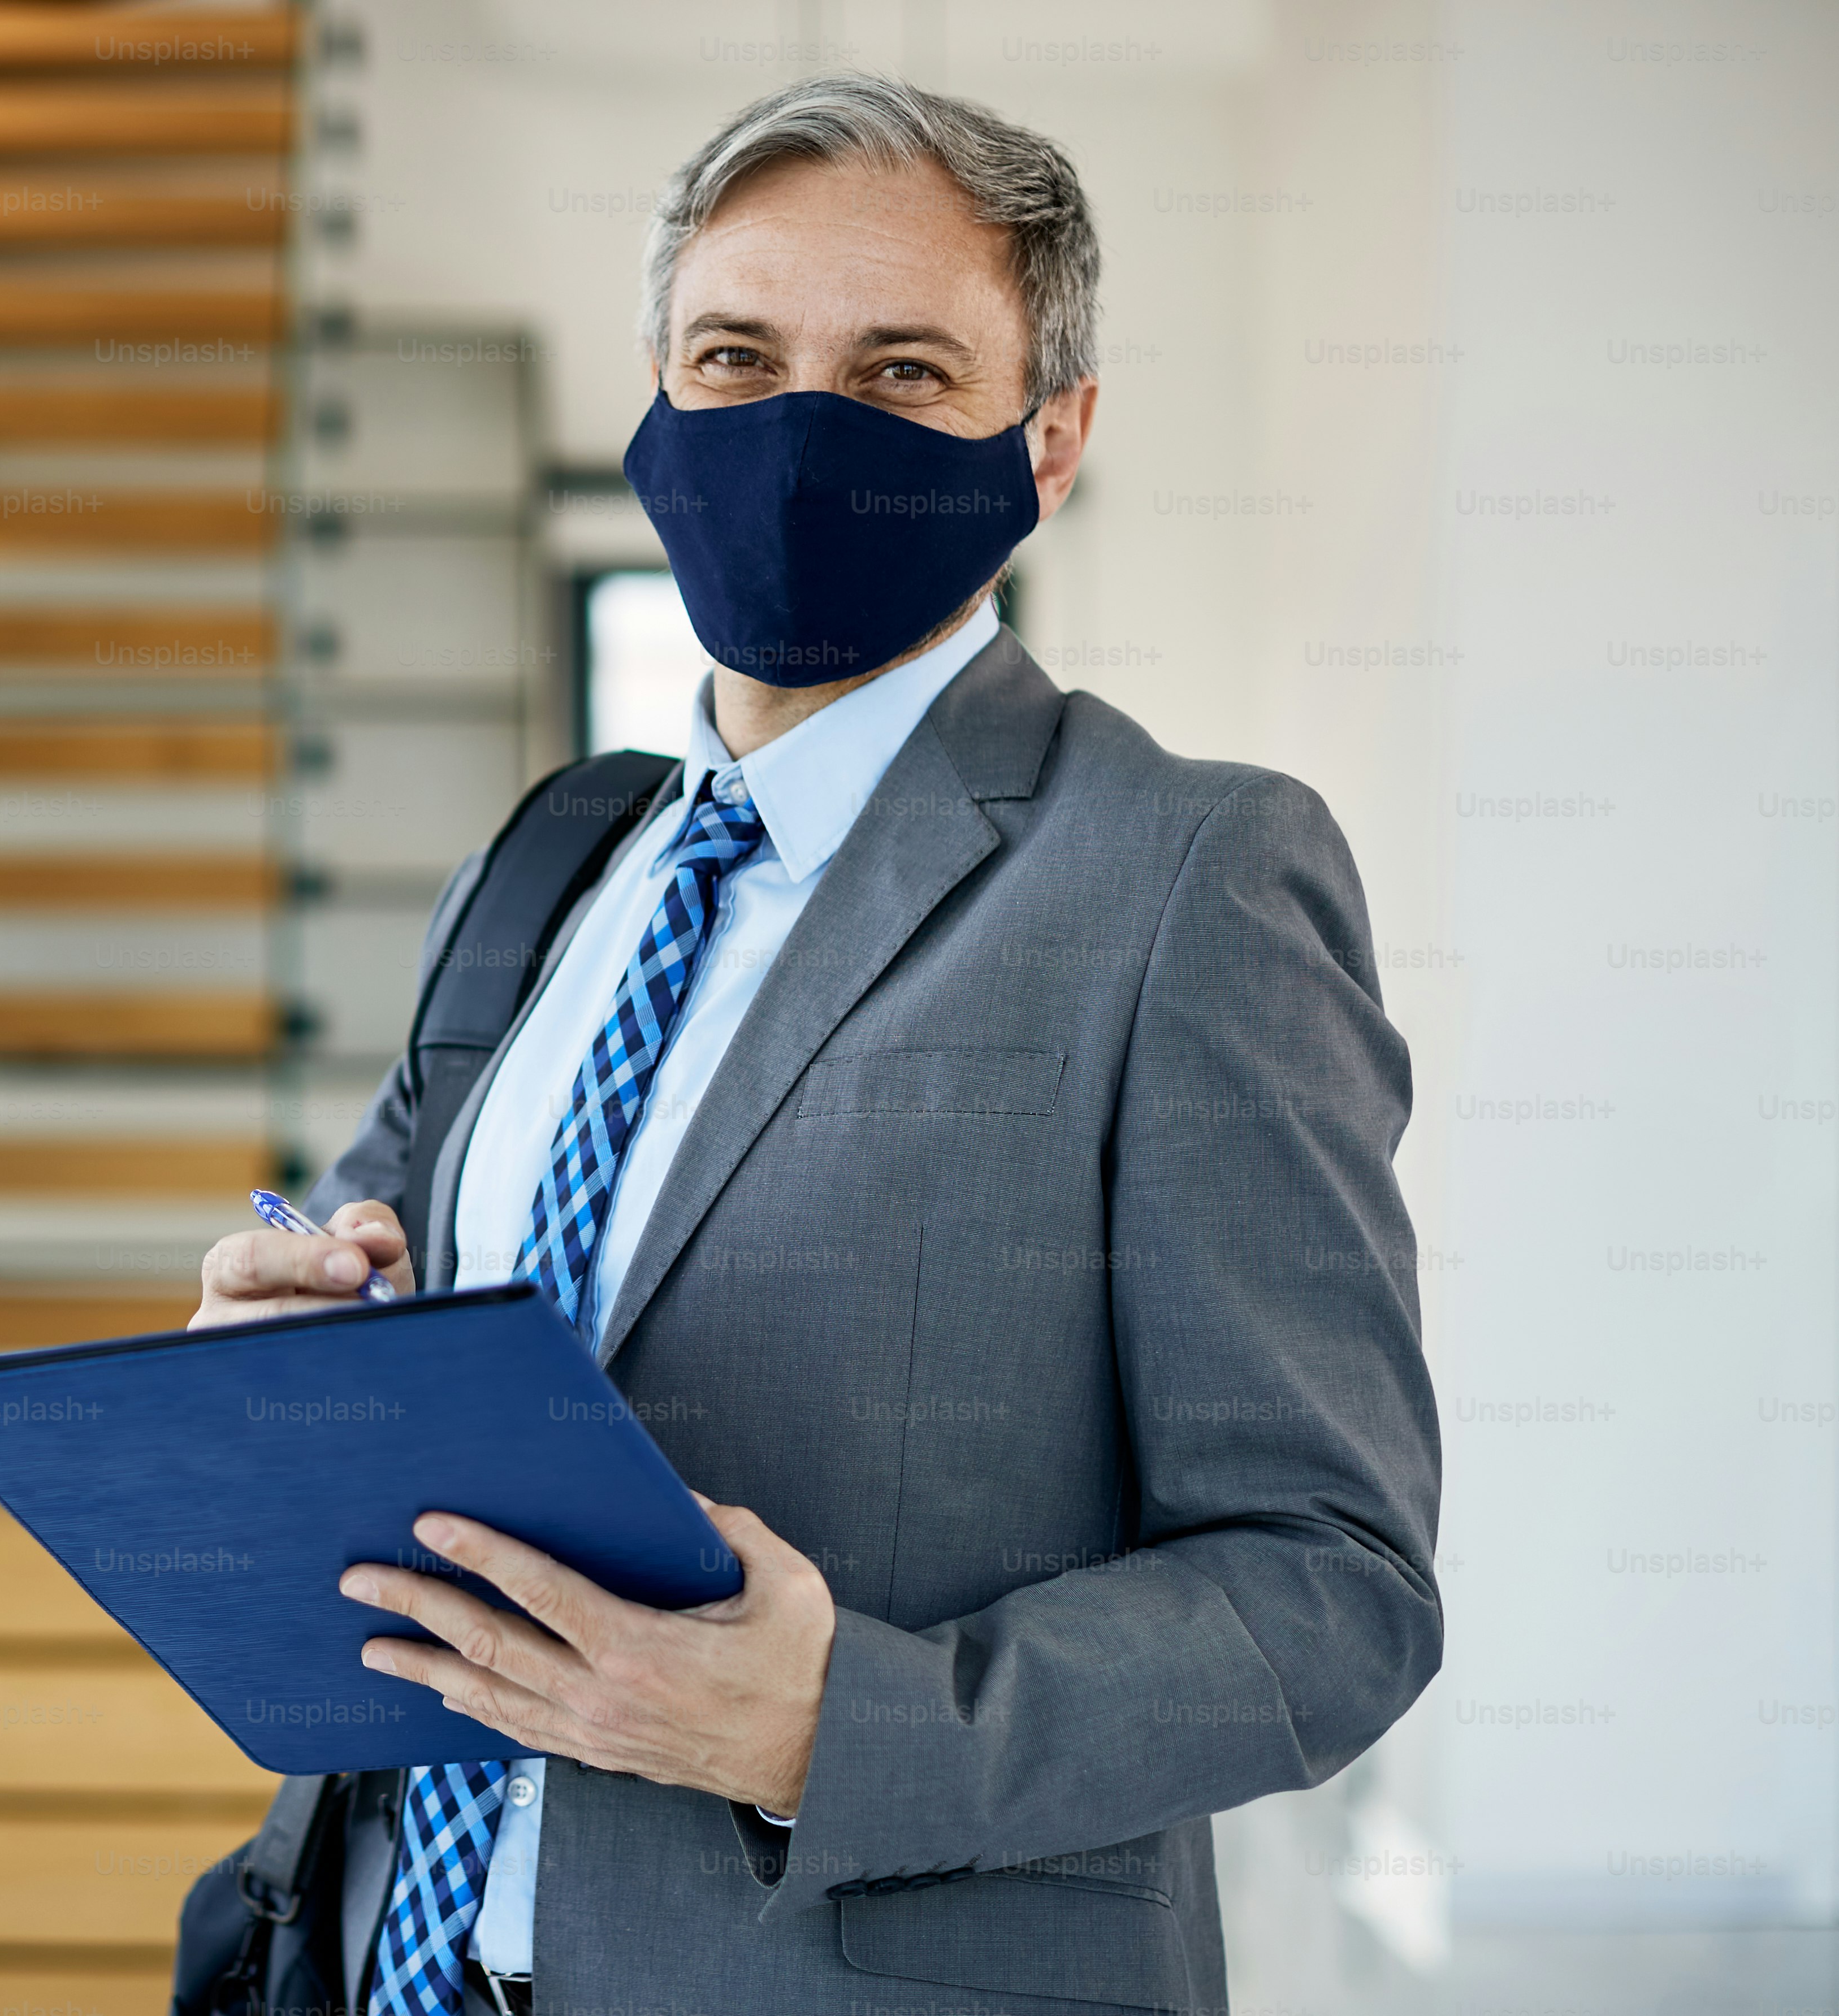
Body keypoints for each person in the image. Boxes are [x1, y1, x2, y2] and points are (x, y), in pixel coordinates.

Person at [188, 73, 1442, 2016]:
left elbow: (1333, 1588)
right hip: (381, 1964)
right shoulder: (551, 863)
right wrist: (276, 1356)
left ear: (1055, 437)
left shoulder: (1192, 873)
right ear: (658, 405)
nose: (800, 432)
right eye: (736, 356)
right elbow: (368, 1279)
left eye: (906, 371)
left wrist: (833, 1726)